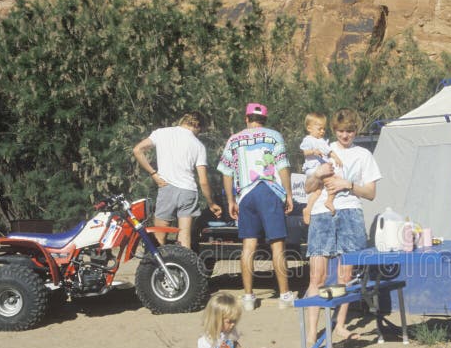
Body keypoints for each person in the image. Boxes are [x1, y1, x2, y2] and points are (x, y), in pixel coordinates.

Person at [303, 108, 382, 347]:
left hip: (350, 213)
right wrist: (318, 173)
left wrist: (348, 184)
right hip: (322, 214)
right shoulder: (321, 149)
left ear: (356, 131)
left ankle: (339, 325)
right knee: (317, 274)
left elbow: (370, 193)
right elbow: (308, 187)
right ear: (334, 131)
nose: (345, 135)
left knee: (345, 275)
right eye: (340, 131)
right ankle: (311, 332)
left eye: (349, 130)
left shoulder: (363, 155)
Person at [217, 102, 296, 311]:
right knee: (277, 244)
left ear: (246, 118)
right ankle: (285, 295)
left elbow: (226, 172)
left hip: (245, 194)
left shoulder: (234, 140)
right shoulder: (274, 136)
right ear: (264, 120)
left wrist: (231, 201)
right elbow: (283, 166)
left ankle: (249, 297)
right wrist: (288, 194)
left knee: (248, 246)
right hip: (269, 191)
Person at [133, 111, 222, 248]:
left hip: (167, 188)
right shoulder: (198, 145)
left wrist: (153, 174)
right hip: (188, 191)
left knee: (160, 236)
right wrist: (211, 203)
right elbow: (203, 181)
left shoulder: (161, 133)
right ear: (198, 126)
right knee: (184, 237)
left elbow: (137, 150)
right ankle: (185, 268)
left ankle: (160, 268)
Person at [300, 112, 343, 223]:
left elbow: (329, 151)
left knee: (318, 191)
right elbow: (304, 152)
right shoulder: (308, 140)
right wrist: (313, 151)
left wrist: (337, 158)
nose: (322, 131)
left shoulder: (321, 141)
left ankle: (308, 209)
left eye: (324, 129)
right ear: (309, 128)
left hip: (320, 168)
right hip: (313, 168)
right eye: (319, 129)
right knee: (332, 181)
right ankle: (329, 201)